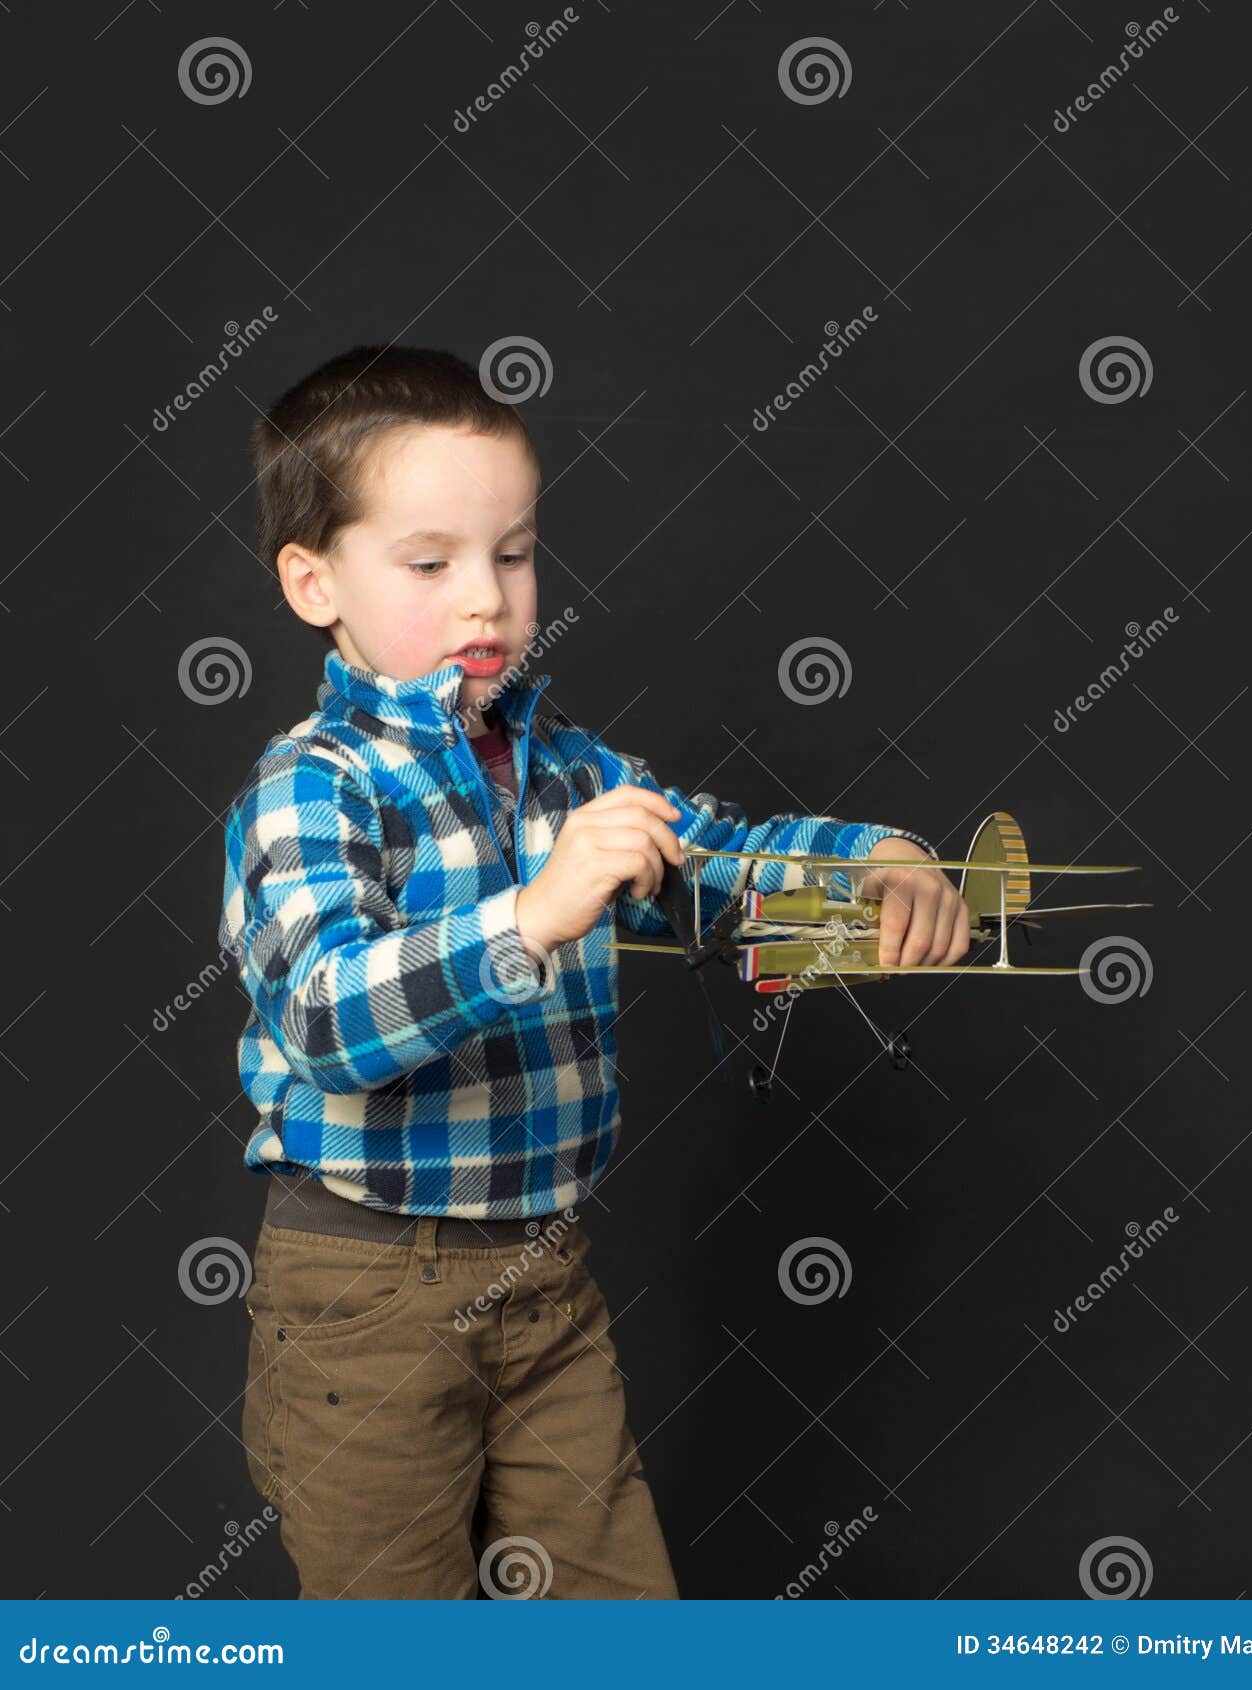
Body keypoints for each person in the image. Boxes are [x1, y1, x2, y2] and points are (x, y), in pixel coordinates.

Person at [219, 343, 970, 1600]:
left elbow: (711, 858)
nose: (486, 601)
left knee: (618, 1615)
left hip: (543, 1273)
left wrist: (867, 860)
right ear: (312, 582)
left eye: (512, 555)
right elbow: (326, 1019)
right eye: (429, 562)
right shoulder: (314, 783)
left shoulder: (566, 763)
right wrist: (539, 908)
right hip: (364, 1289)